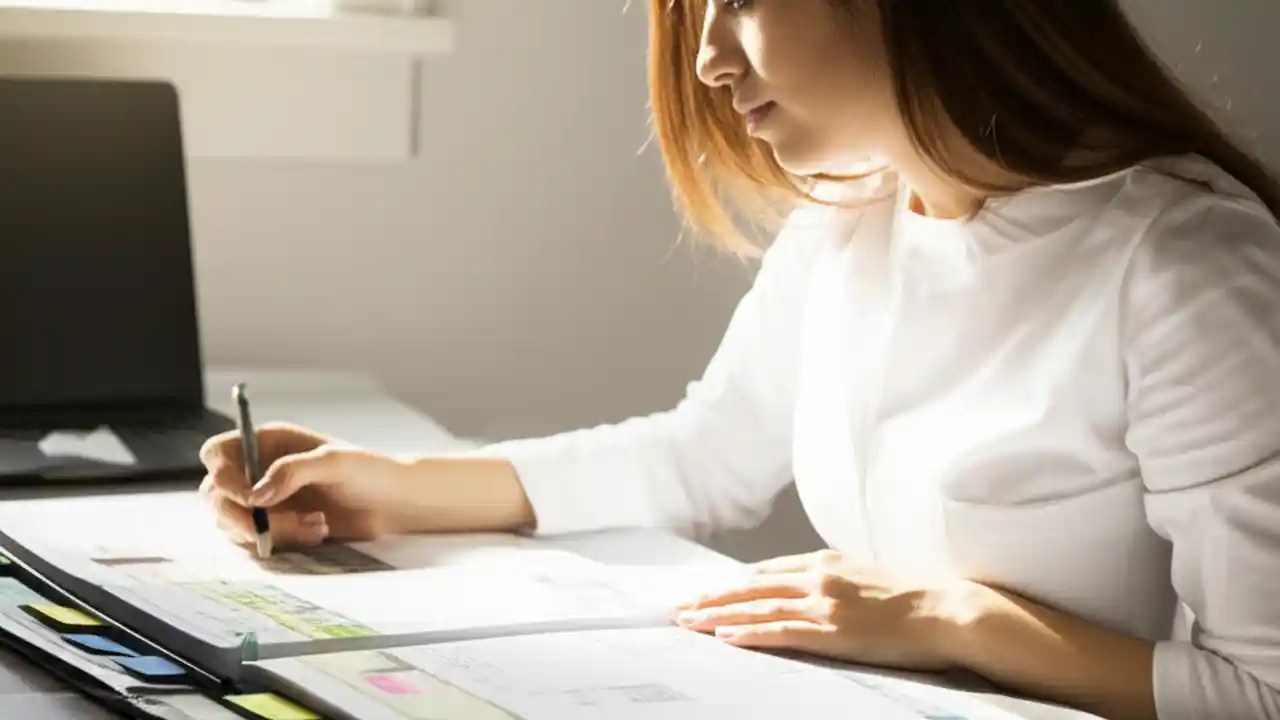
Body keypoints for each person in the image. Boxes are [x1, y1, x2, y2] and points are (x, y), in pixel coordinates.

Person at [198, 2, 1280, 718]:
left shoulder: (1184, 261)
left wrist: (954, 620)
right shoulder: (854, 215)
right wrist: (384, 487)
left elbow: (1260, 689)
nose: (710, 58)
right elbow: (703, 455)